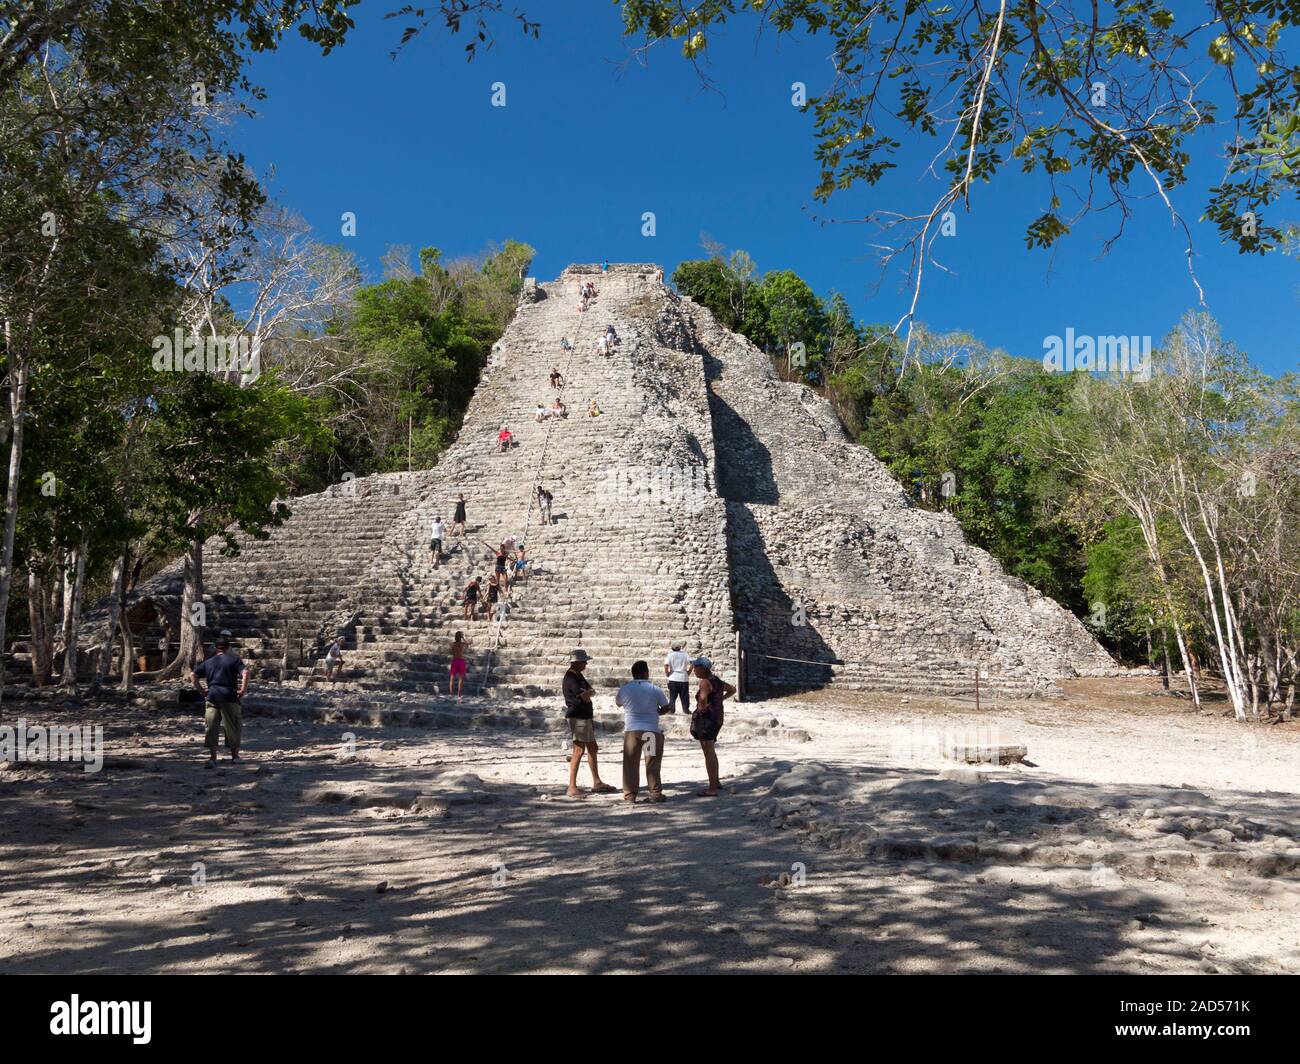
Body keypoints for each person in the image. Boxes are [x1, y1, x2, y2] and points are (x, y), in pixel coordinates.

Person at [189, 631, 250, 765]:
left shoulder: (208, 662)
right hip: (229, 696)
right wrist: (243, 690)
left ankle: (213, 758)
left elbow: (193, 675)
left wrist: (201, 691)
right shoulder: (234, 660)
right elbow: (245, 672)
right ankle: (235, 757)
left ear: (216, 648)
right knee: (233, 726)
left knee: (211, 726)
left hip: (212, 696)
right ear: (228, 647)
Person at [563, 649, 615, 798]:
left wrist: (589, 693)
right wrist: (588, 693)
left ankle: (597, 782)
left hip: (584, 716)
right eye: (584, 661)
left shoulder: (578, 675)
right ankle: (572, 787)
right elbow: (586, 696)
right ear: (576, 662)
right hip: (579, 717)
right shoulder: (572, 678)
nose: (586, 663)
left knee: (592, 747)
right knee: (578, 750)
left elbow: (591, 691)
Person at [617, 660, 670, 803]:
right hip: (651, 731)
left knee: (630, 763)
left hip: (632, 731)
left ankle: (630, 795)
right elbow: (666, 707)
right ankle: (655, 793)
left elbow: (618, 703)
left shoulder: (625, 689)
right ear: (646, 673)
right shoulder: (654, 689)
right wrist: (656, 712)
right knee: (652, 763)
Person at [689, 656, 735, 796]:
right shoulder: (717, 681)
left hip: (706, 720)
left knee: (708, 753)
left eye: (696, 667)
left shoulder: (705, 682)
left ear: (704, 668)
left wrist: (702, 708)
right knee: (711, 751)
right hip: (717, 718)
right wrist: (719, 699)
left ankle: (712, 789)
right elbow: (732, 689)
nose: (694, 670)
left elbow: (702, 698)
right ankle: (715, 781)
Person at [663, 643, 691, 715]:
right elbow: (693, 663)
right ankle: (686, 709)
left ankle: (671, 710)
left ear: (672, 648)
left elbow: (666, 664)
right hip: (684, 677)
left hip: (673, 677)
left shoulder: (670, 655)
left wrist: (667, 673)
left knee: (672, 695)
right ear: (680, 648)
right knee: (684, 695)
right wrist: (689, 671)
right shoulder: (685, 654)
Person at [449, 631, 469, 699]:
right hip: (461, 661)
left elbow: (451, 651)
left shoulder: (452, 644)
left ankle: (451, 694)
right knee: (460, 679)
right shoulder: (462, 644)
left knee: (452, 678)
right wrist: (463, 637)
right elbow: (468, 644)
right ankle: (459, 695)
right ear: (460, 637)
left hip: (454, 661)